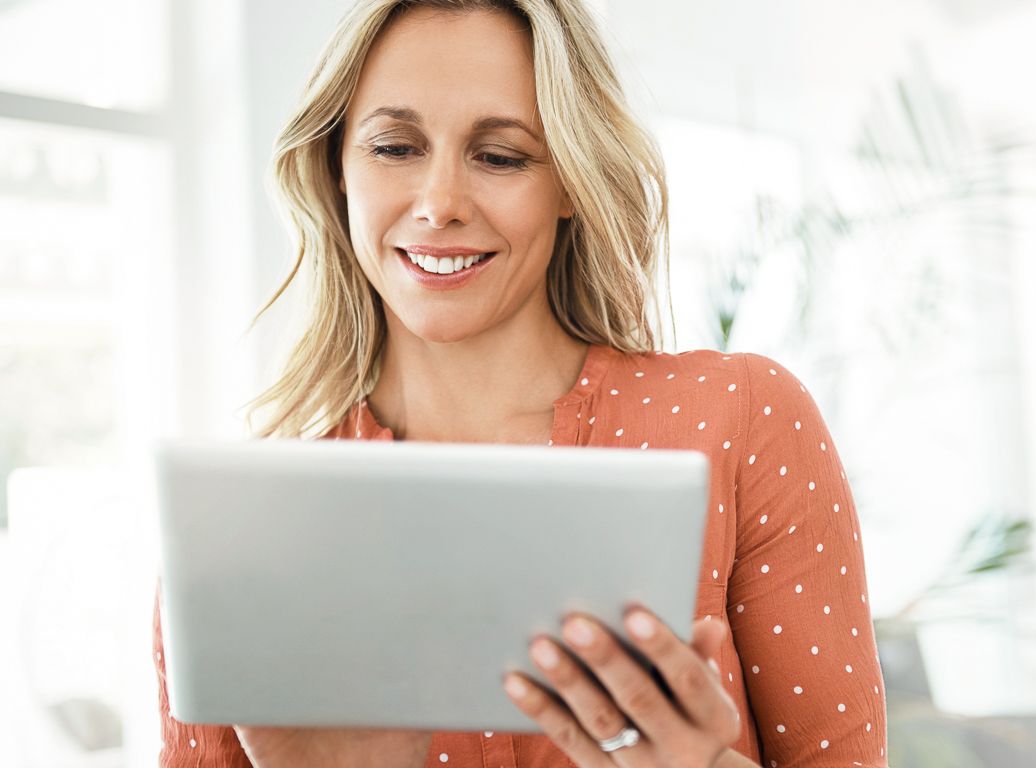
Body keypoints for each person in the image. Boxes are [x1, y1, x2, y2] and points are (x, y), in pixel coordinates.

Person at [152, 0, 888, 765]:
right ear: (337, 168)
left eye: (500, 157)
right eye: (394, 147)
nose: (439, 204)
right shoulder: (242, 533)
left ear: (570, 180)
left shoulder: (741, 418)